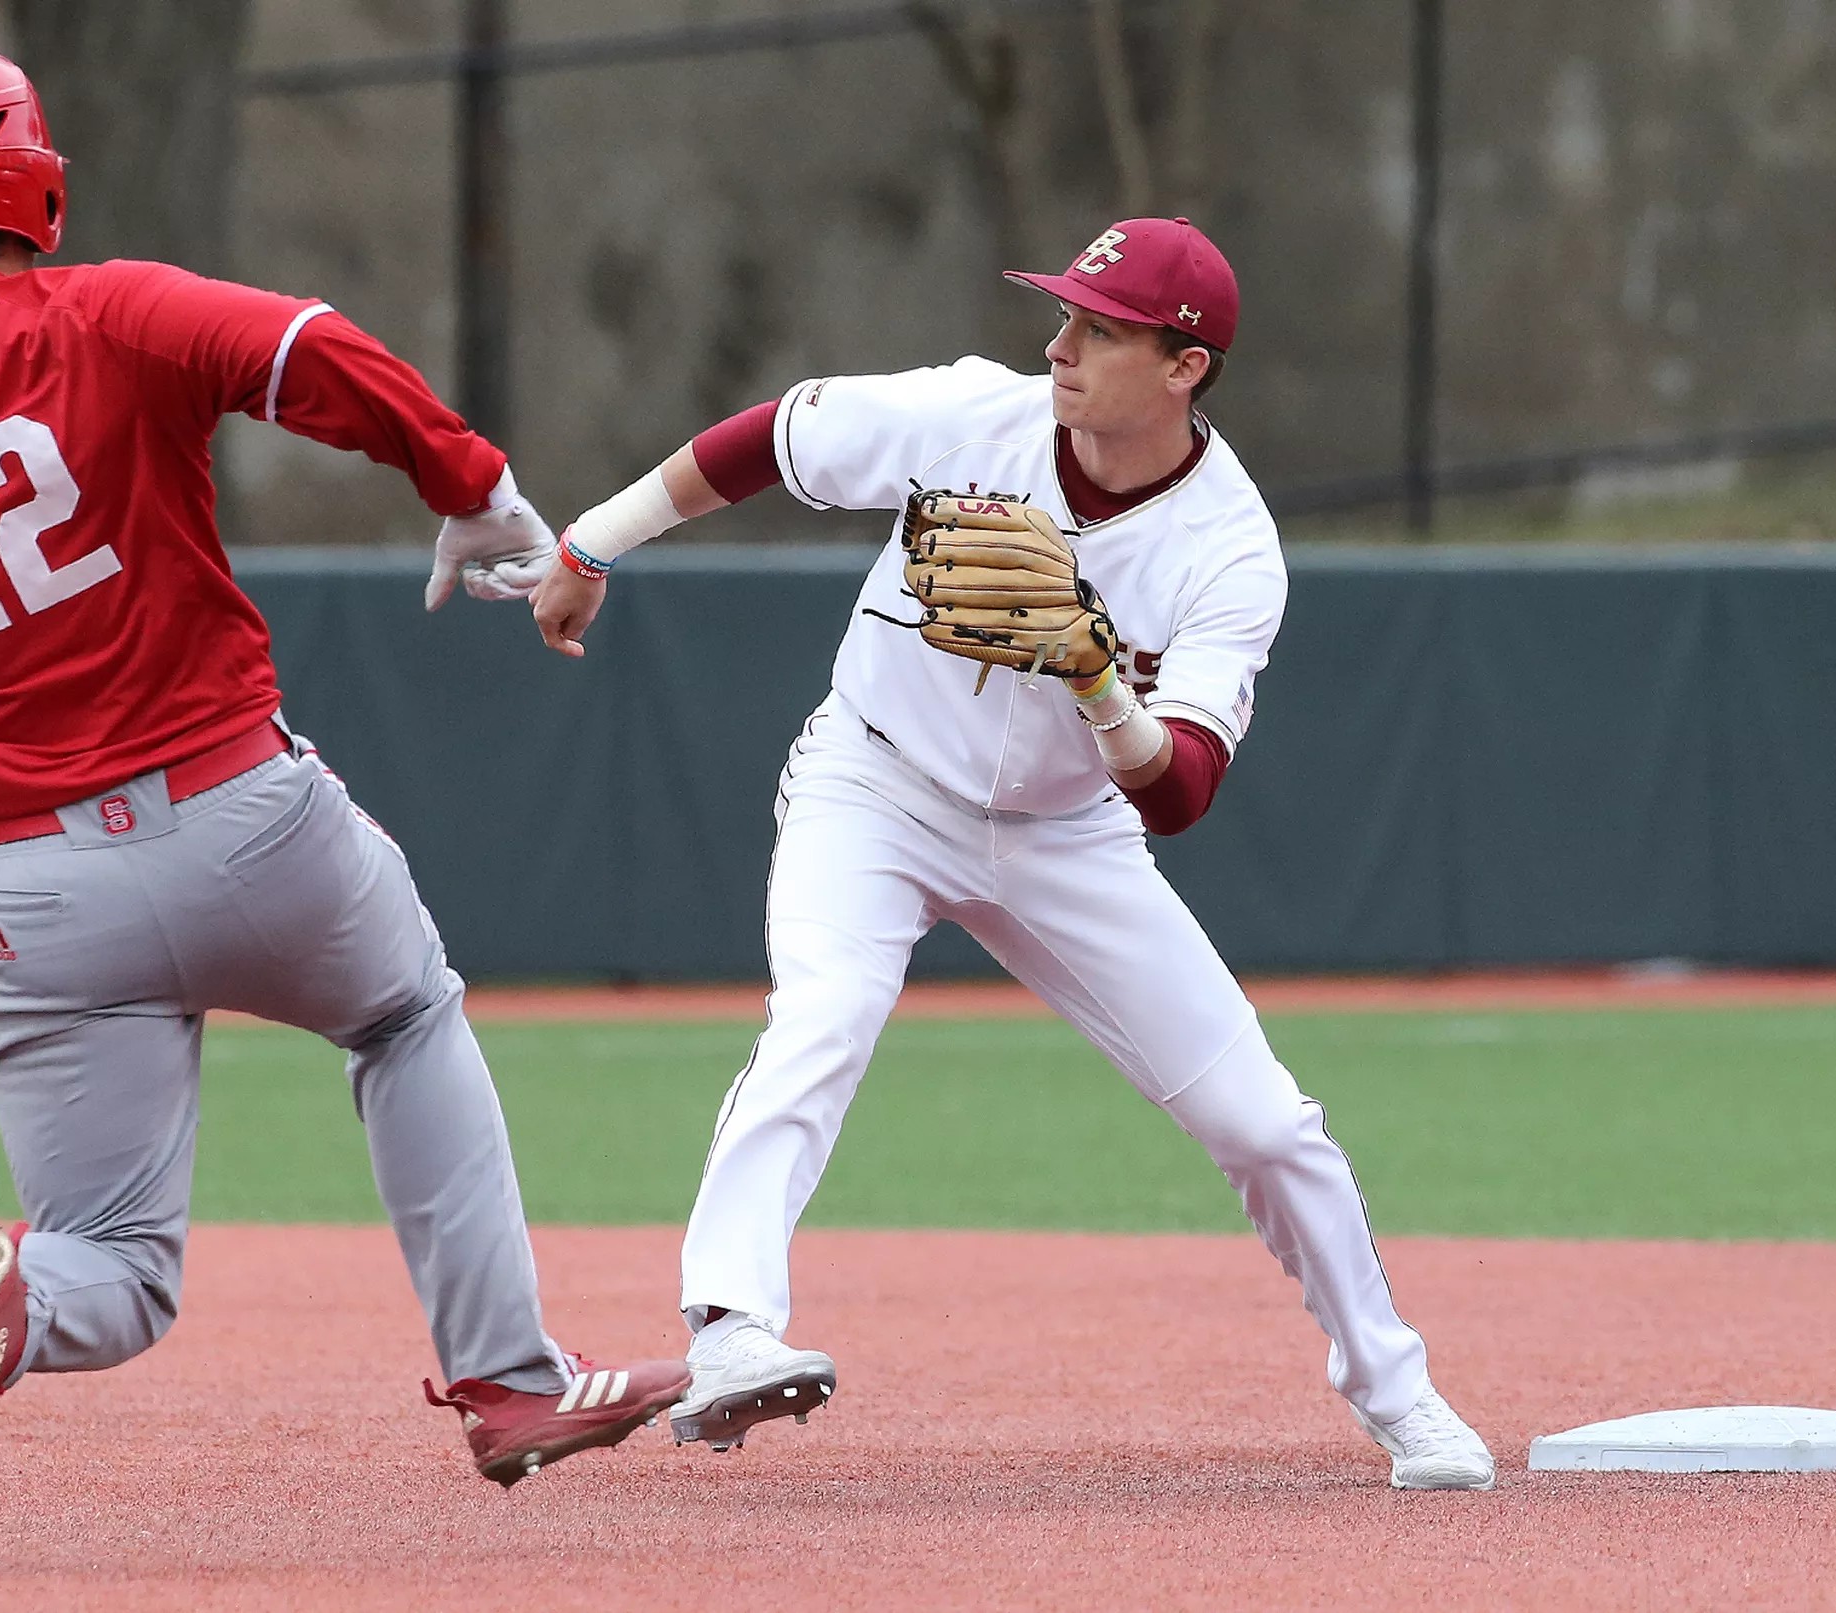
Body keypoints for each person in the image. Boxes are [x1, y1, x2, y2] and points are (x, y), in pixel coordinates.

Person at [0, 46, 686, 1487]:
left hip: (35, 891)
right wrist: (473, 486)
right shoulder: (107, 309)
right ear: (35, 182)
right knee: (405, 1017)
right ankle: (506, 1378)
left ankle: (5, 1310)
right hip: (247, 817)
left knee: (113, 1266)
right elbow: (314, 350)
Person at [529, 217, 1495, 1490]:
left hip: (1066, 833)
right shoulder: (971, 415)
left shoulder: (1227, 545)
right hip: (872, 779)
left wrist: (1096, 677)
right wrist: (594, 539)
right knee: (822, 1012)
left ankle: (1399, 1392)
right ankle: (727, 1329)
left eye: (1100, 328)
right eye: (1063, 314)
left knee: (1263, 1124)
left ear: (1183, 366)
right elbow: (768, 437)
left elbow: (1181, 791)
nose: (1061, 344)